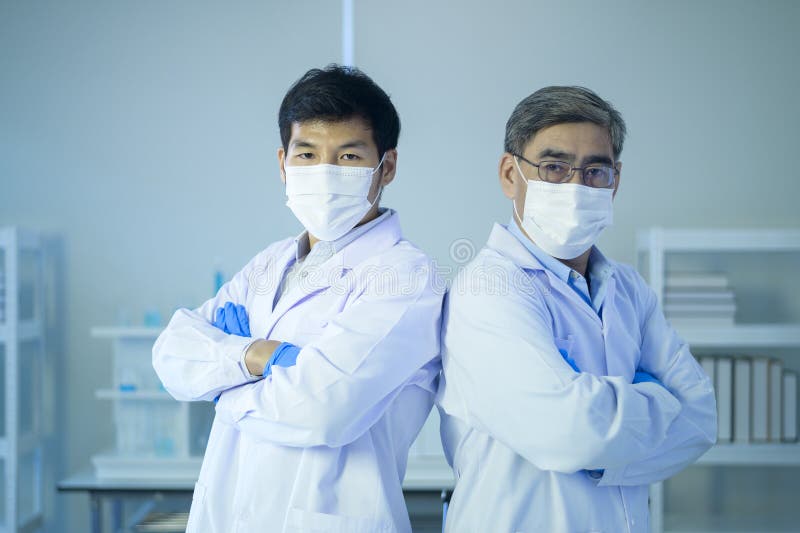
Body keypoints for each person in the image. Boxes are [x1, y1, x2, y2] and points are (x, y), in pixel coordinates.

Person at [153, 65, 443, 533]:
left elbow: (323, 411)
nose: (323, 173)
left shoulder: (405, 277)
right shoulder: (270, 264)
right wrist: (257, 356)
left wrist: (220, 381)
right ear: (283, 163)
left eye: (348, 157)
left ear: (386, 166)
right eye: (306, 153)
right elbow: (170, 355)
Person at [435, 86, 717, 532]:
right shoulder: (488, 288)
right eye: (553, 167)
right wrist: (661, 398)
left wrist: (600, 432)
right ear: (510, 174)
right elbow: (567, 431)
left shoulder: (628, 288)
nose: (575, 185)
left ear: (615, 181)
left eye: (595, 172)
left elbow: (701, 419)